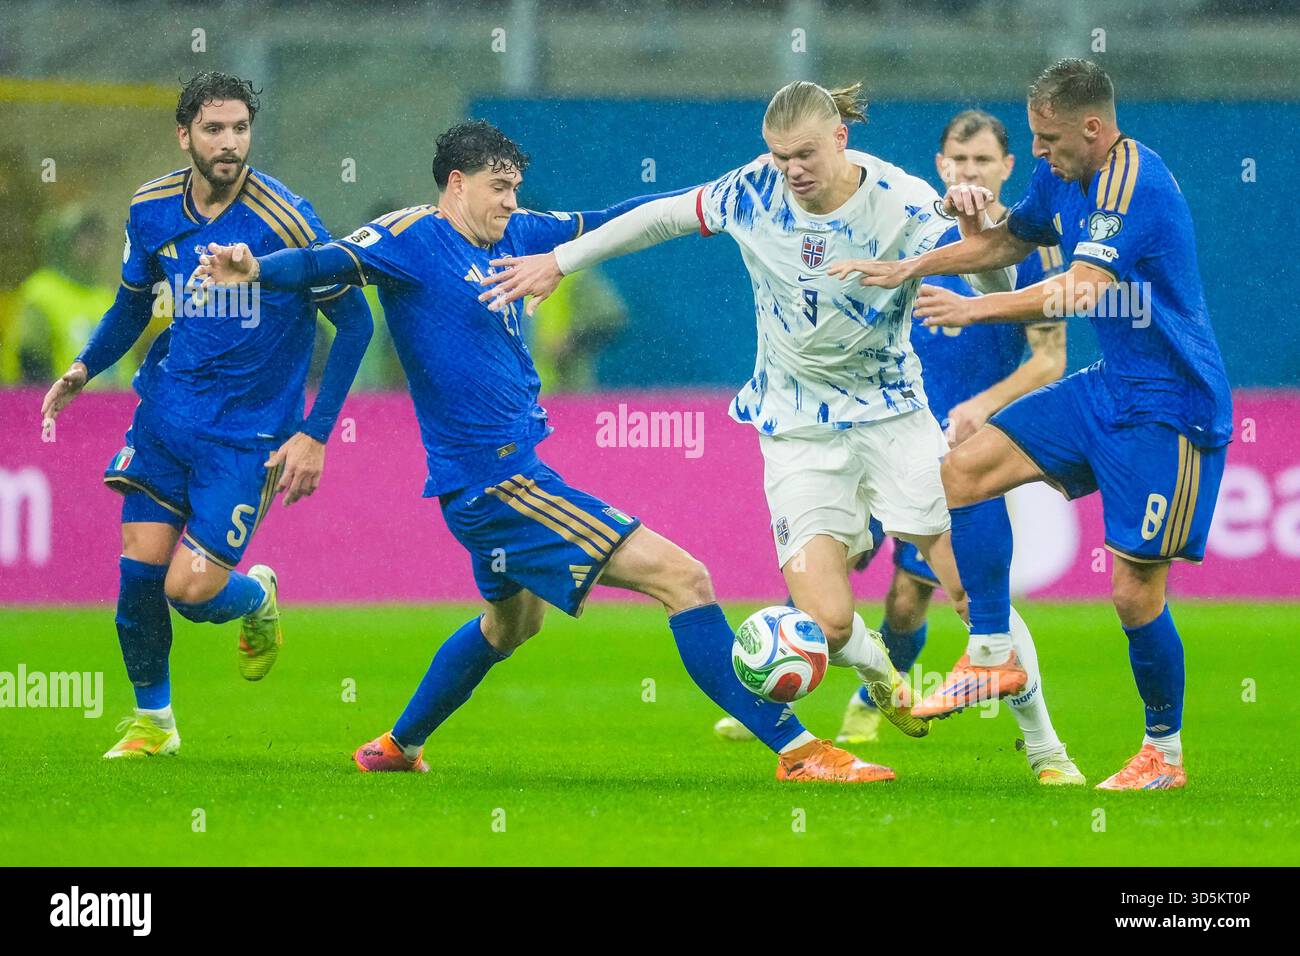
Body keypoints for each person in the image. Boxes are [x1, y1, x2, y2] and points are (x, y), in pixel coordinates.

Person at [197, 119, 894, 783]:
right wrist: (252, 266)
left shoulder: (523, 234)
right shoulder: (412, 236)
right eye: (498, 188)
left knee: (509, 625)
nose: (511, 201)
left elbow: (616, 218)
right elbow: (328, 261)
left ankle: (396, 746)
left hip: (506, 476)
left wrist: (711, 198)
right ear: (456, 184)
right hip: (493, 485)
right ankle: (799, 750)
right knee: (686, 579)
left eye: (515, 188)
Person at [479, 81, 1034, 750]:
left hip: (893, 417)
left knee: (976, 597)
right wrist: (560, 262)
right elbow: (661, 215)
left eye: (804, 154)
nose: (791, 170)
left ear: (840, 139)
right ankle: (885, 681)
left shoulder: (902, 199)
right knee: (827, 623)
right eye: (778, 156)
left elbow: (993, 285)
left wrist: (978, 233)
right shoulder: (754, 190)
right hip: (797, 427)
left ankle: (1044, 749)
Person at [832, 59, 1231, 791]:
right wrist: (911, 267)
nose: (1038, 153)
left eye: (1048, 139)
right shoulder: (1065, 173)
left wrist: (974, 308)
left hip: (1171, 407)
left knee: (1134, 593)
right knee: (964, 469)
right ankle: (992, 651)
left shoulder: (1132, 184)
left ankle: (1162, 756)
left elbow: (1081, 292)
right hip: (1111, 388)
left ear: (1092, 126)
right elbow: (1005, 243)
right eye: (1035, 139)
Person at [713, 109, 1083, 785]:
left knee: (966, 602)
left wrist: (979, 406)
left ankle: (1044, 747)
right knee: (826, 583)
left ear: (1006, 169)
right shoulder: (903, 227)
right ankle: (791, 692)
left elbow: (1050, 357)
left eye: (983, 163)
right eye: (958, 162)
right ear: (941, 166)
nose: (969, 172)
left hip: (954, 454)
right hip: (880, 430)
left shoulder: (1027, 246)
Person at [40, 72, 373, 759]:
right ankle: (153, 723)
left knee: (189, 592)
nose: (229, 144)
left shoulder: (288, 221)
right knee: (138, 572)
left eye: (241, 129)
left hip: (247, 436)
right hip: (167, 413)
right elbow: (134, 301)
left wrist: (315, 434)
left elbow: (356, 323)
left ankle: (255, 600)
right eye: (215, 129)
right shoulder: (152, 207)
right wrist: (83, 368)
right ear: (184, 133)